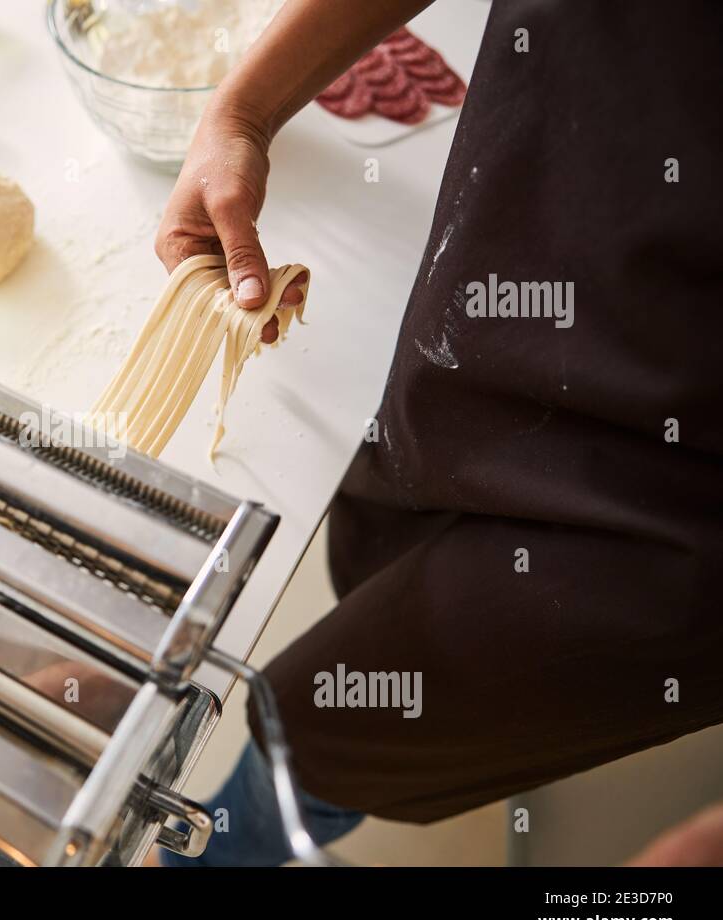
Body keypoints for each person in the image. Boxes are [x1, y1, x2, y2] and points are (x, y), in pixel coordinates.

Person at [156, 0, 723, 866]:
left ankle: (212, 858)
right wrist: (243, 111)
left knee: (336, 717)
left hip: (675, 521)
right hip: (506, 298)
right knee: (368, 582)